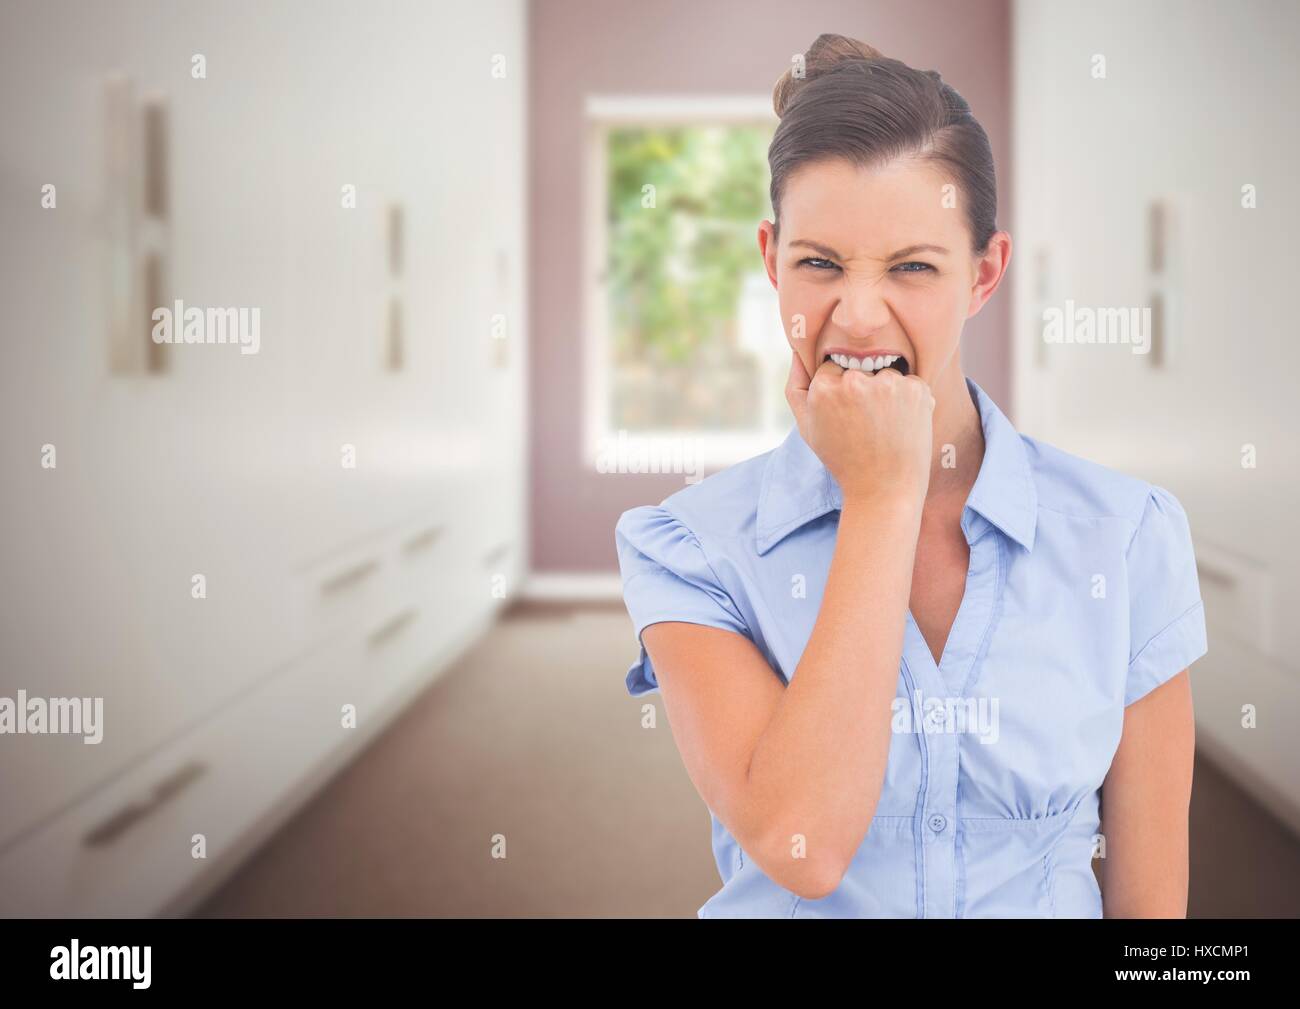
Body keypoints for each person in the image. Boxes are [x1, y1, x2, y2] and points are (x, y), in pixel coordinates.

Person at [613, 32, 1208, 918]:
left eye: (912, 267)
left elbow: (1155, 923)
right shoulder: (688, 547)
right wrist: (883, 496)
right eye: (819, 263)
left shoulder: (1126, 537)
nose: (857, 314)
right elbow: (798, 843)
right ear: (772, 260)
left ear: (984, 273)